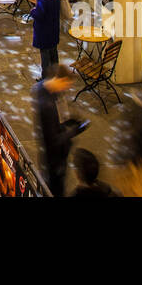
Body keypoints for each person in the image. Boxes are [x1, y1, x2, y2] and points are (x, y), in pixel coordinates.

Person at [32, 64, 89, 197]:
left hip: (53, 155)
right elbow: (54, 140)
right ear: (60, 80)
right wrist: (76, 130)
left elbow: (60, 118)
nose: (67, 88)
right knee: (56, 188)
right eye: (67, 84)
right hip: (54, 158)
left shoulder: (42, 88)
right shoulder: (47, 105)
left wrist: (71, 121)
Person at [28, 0, 63, 79]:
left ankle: (46, 78)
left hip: (44, 31)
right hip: (53, 28)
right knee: (53, 53)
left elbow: (39, 14)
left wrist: (32, 11)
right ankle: (56, 74)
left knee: (45, 56)